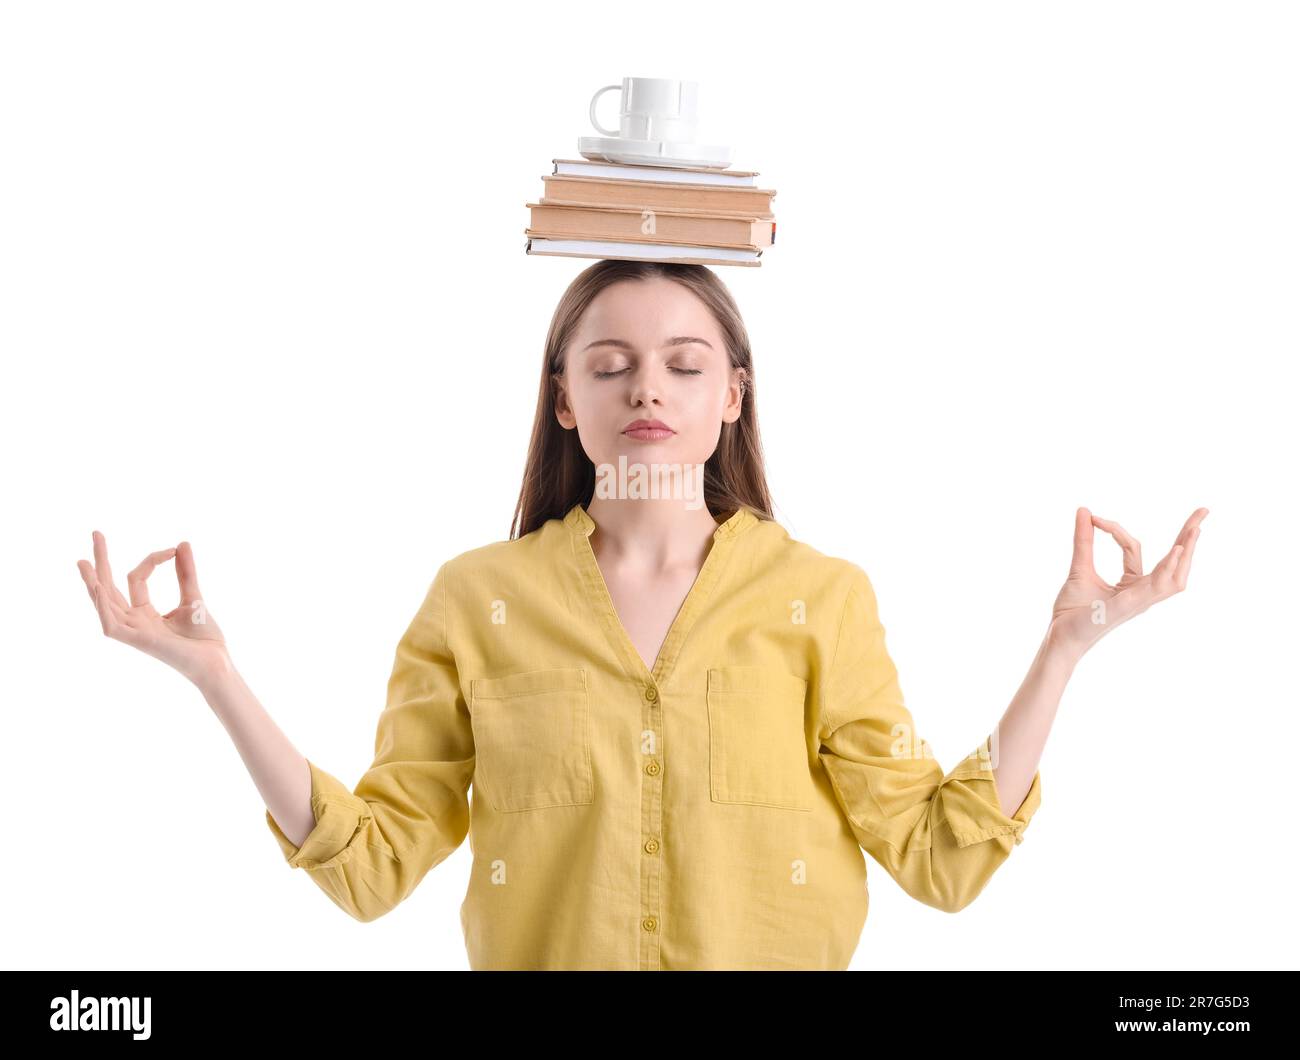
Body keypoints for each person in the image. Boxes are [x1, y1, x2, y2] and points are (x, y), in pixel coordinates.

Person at [76, 259, 1207, 970]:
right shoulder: (476, 600)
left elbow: (935, 858)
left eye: (682, 363)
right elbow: (370, 864)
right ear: (564, 399)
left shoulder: (823, 598)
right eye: (610, 366)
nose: (648, 391)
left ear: (731, 395)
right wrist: (214, 677)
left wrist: (1067, 648)